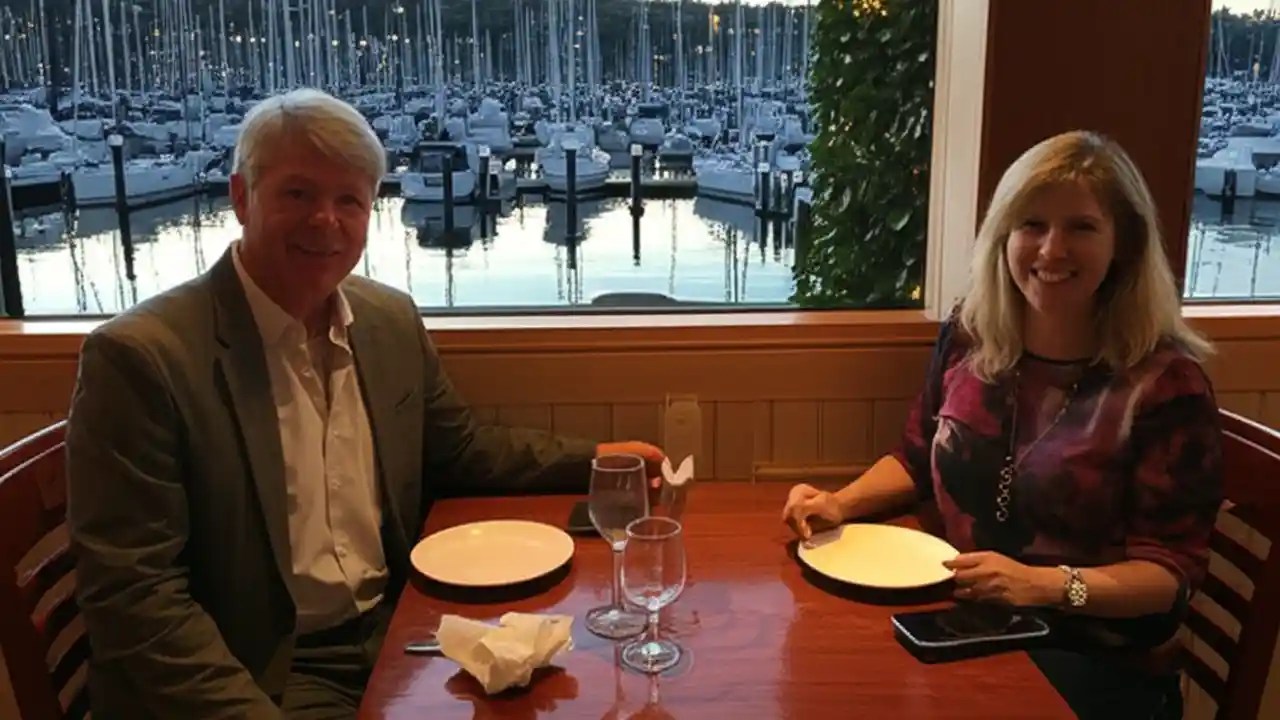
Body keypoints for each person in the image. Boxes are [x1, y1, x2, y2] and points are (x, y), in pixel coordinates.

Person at [66, 88, 664, 720]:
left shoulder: (386, 320)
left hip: (400, 630)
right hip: (265, 671)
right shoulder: (142, 359)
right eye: (298, 194)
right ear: (241, 197)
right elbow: (136, 602)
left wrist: (600, 460)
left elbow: (461, 451)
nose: (325, 220)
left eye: (349, 200)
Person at [782, 131, 1222, 719]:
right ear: (1003, 236)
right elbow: (915, 457)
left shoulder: (1165, 385)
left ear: (1124, 243)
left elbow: (1169, 576)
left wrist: (1043, 585)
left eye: (1081, 228)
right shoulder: (970, 336)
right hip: (966, 626)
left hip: (1097, 661)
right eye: (1032, 224)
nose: (1052, 250)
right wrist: (840, 504)